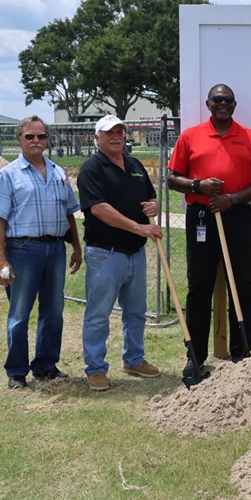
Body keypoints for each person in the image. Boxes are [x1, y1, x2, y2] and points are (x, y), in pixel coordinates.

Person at [167, 84, 251, 371]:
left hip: (236, 216)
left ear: (234, 105)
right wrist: (198, 185)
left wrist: (233, 199)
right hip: (202, 216)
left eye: (227, 100)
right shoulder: (191, 136)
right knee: (199, 287)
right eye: (217, 99)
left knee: (241, 284)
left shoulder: (250, 137)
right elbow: (172, 178)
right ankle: (195, 356)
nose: (222, 103)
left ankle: (242, 353)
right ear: (208, 103)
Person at [0, 116, 83, 390]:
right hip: (22, 249)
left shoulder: (58, 173)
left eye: (41, 136)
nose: (36, 141)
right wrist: (1, 261)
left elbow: (69, 214)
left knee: (53, 311)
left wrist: (76, 247)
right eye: (30, 136)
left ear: (47, 140)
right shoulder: (8, 175)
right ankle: (17, 372)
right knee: (19, 313)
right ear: (19, 139)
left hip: (54, 248)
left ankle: (45, 365)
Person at [76, 115, 163, 392]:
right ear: (96, 138)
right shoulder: (92, 169)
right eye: (109, 132)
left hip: (135, 254)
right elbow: (99, 209)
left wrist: (153, 207)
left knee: (136, 312)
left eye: (119, 132)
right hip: (105, 254)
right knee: (99, 314)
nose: (116, 136)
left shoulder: (135, 165)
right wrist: (138, 227)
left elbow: (151, 197)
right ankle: (96, 369)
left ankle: (134, 359)